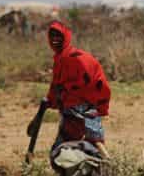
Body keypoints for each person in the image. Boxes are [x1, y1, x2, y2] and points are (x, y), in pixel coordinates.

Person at [44, 19, 111, 152]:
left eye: (58, 36)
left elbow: (96, 82)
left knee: (95, 145)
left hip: (86, 110)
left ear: (66, 37)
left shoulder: (77, 58)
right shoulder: (59, 59)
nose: (54, 39)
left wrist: (99, 106)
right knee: (62, 149)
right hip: (69, 112)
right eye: (52, 36)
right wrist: (51, 100)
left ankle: (110, 169)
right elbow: (56, 85)